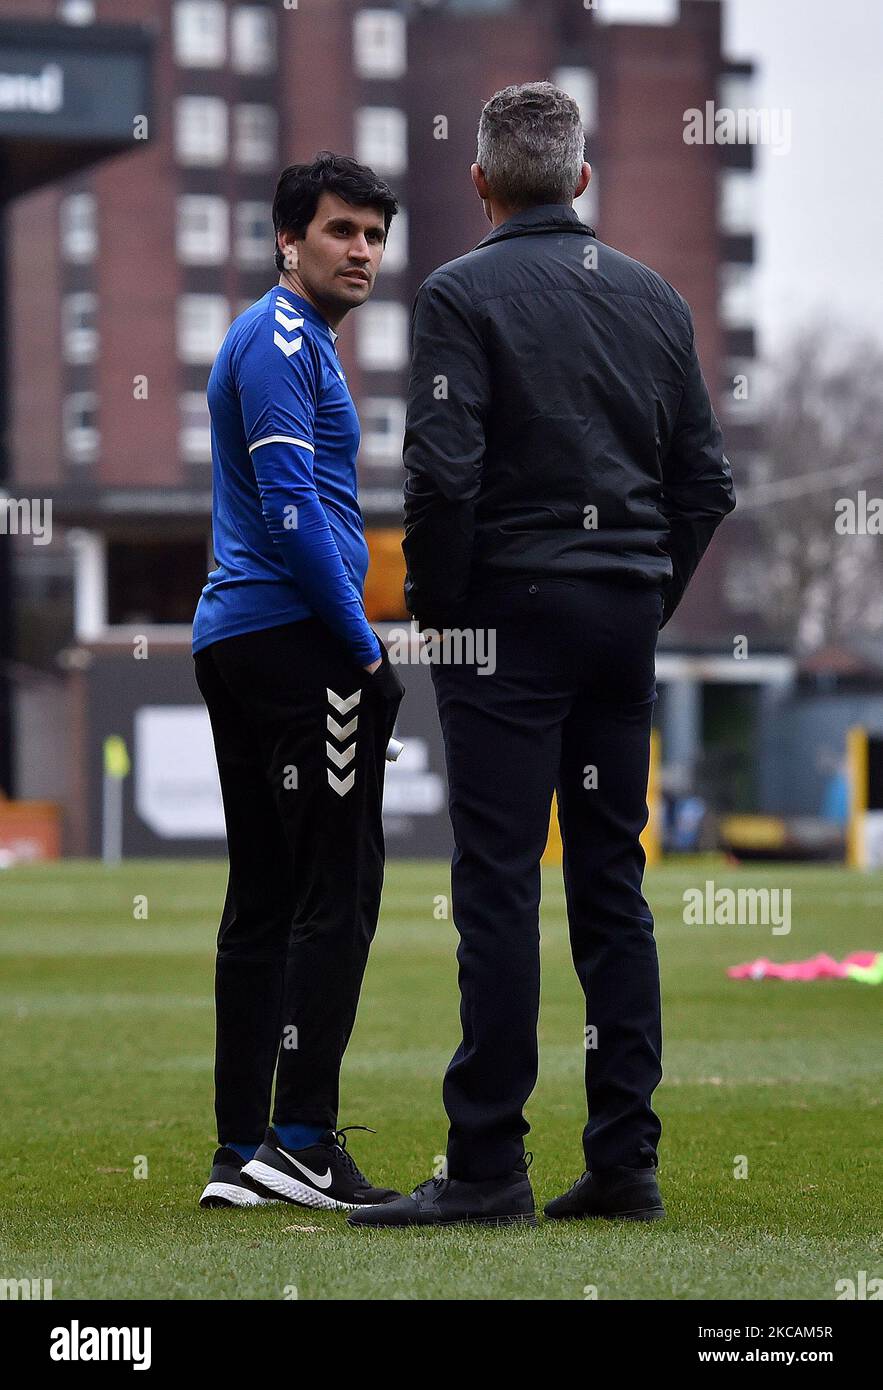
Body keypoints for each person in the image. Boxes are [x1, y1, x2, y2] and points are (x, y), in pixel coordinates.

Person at [349, 83, 735, 1230]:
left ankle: (486, 1166)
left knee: (498, 885)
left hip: (505, 617)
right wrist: (642, 593)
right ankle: (623, 1158)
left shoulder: (459, 294)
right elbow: (705, 485)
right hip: (619, 618)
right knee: (611, 885)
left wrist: (439, 611)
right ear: (579, 180)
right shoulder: (655, 298)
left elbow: (442, 475)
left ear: (479, 182)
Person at [193, 153, 404, 1211]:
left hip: (244, 639)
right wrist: (362, 646)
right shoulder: (281, 340)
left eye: (373, 233)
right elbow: (291, 510)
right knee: (341, 885)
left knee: (268, 897)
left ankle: (241, 1154)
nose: (361, 249)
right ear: (288, 239)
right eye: (339, 230)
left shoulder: (294, 342)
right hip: (294, 643)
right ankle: (304, 1141)